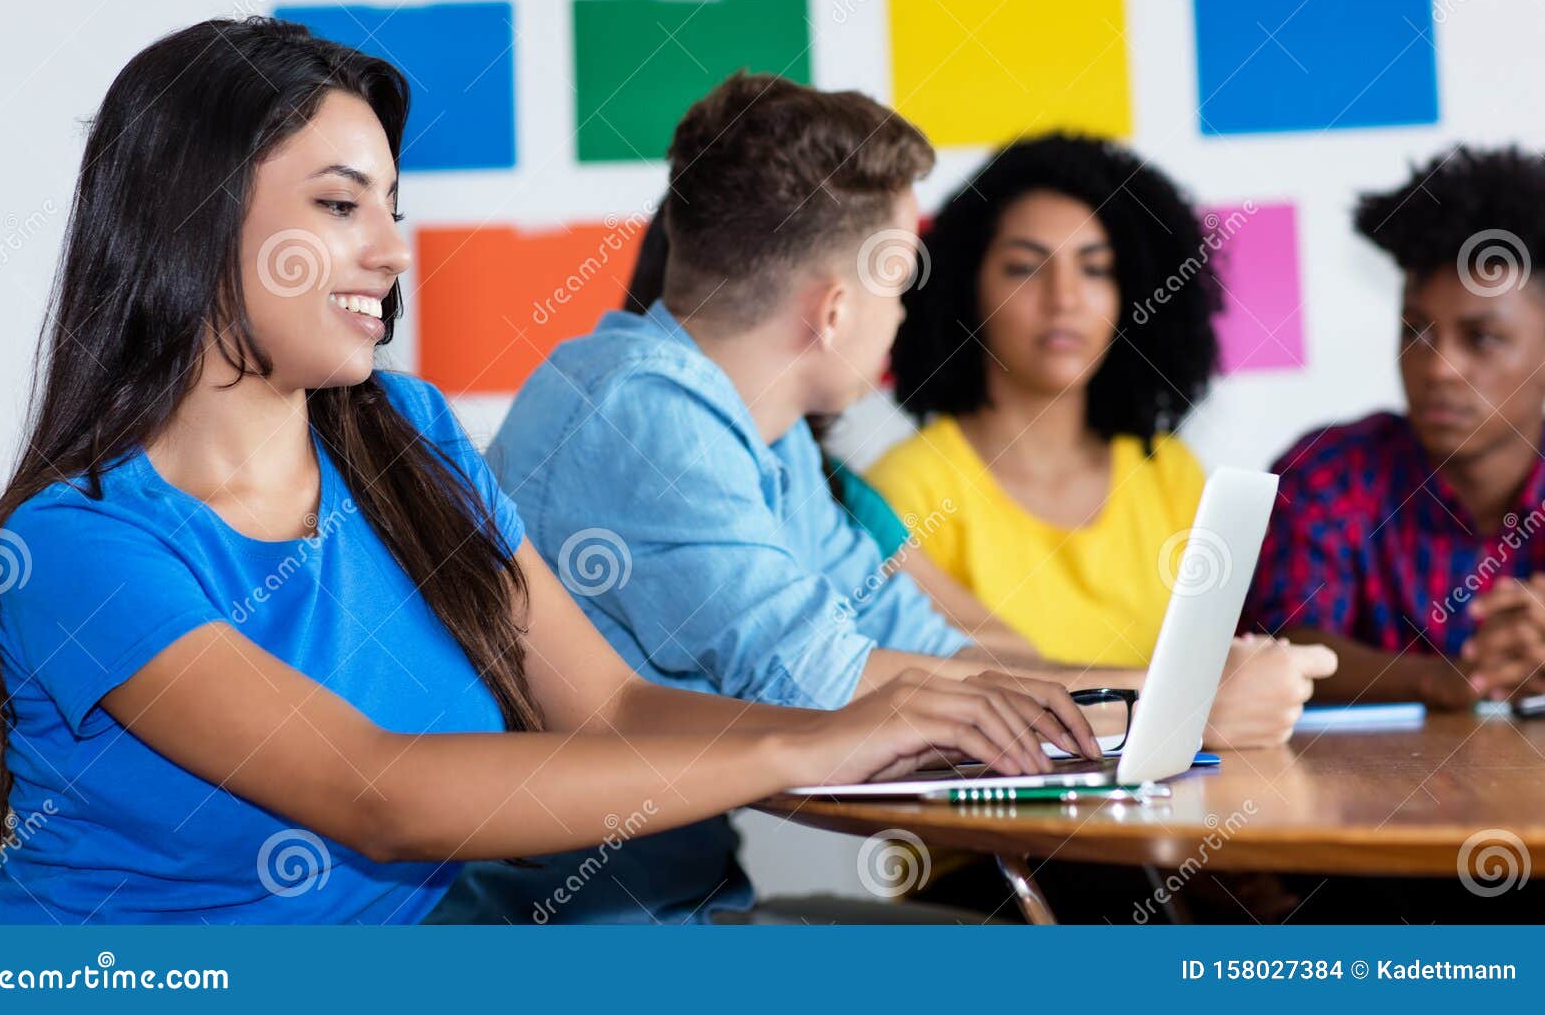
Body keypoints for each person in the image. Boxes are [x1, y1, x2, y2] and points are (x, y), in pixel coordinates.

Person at [0, 20, 1094, 925]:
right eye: (342, 205)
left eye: (393, 209)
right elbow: (377, 791)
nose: (395, 251)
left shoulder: (411, 437)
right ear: (195, 224)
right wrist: (831, 737)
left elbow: (607, 706)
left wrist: (898, 716)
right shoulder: (74, 546)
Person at [446, 75, 1319, 925]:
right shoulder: (643, 415)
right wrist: (1179, 702)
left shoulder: (767, 428)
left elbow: (911, 642)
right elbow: (830, 689)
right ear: (832, 310)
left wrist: (1162, 696)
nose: (903, 314)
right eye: (898, 280)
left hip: (683, 904)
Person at [868, 133, 1336, 745]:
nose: (1063, 298)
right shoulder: (906, 487)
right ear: (965, 289)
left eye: (1095, 268)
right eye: (1024, 267)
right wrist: (1192, 704)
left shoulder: (1170, 472)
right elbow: (945, 692)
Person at [621, 197, 1040, 659]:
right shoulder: (657, 460)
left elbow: (943, 634)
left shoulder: (822, 478)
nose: (898, 315)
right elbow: (791, 674)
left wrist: (1106, 694)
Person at [1245, 146, 1545, 709]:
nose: (1438, 368)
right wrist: (1446, 679)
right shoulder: (1326, 474)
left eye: (1481, 338)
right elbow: (1283, 651)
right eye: (1416, 332)